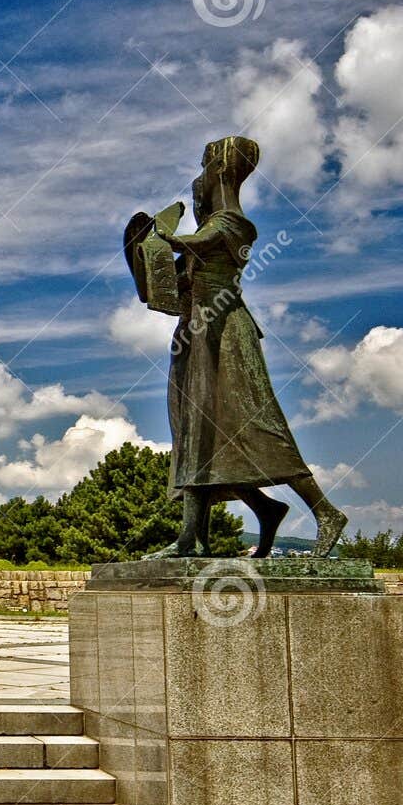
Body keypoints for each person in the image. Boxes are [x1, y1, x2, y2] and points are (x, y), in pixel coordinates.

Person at [144, 135, 346, 558]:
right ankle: (192, 538)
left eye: (203, 168)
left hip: (227, 335)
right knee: (197, 436)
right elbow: (176, 283)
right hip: (195, 335)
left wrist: (165, 234)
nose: (196, 180)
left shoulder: (232, 222)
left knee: (256, 424)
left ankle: (325, 512)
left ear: (218, 171)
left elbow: (195, 244)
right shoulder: (210, 225)